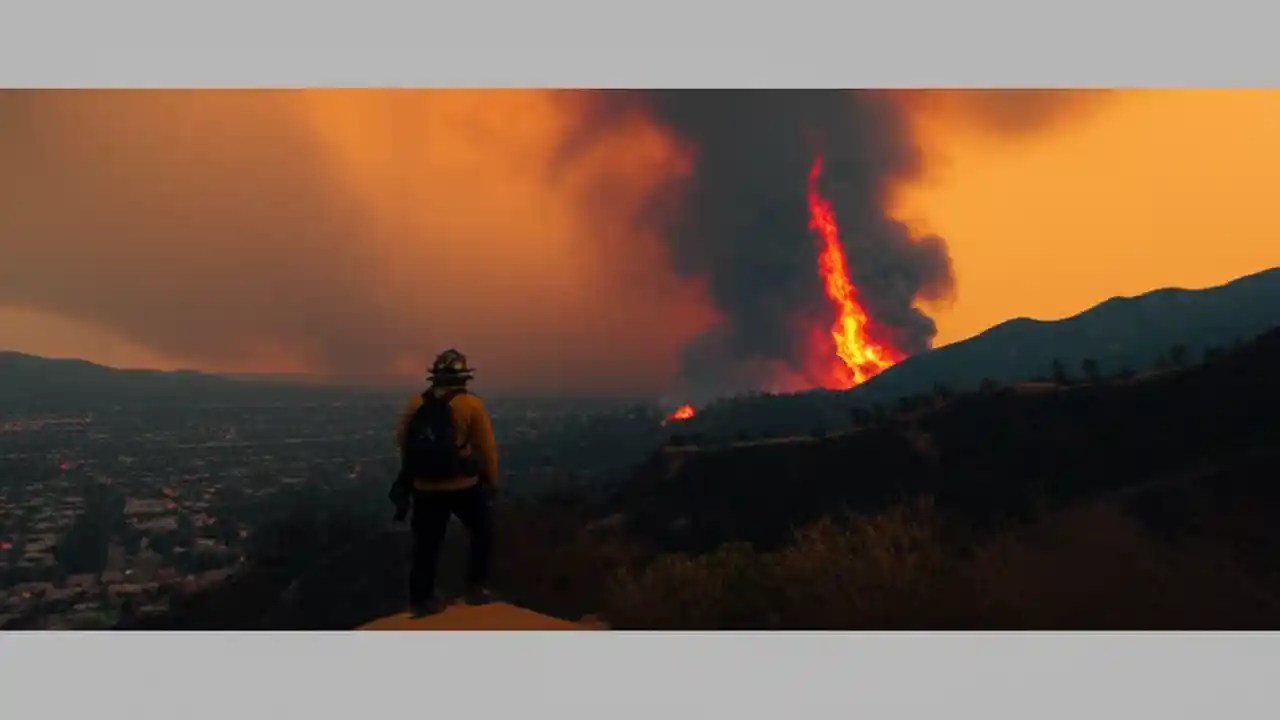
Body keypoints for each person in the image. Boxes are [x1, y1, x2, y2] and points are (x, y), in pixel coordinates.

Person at [393, 348, 500, 617]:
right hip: (464, 485)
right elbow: (486, 447)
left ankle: (422, 600)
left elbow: (402, 441)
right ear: (464, 377)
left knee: (426, 546)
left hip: (426, 488)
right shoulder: (471, 404)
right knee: (482, 533)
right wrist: (492, 479)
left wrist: (414, 474)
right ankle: (477, 588)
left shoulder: (417, 403)